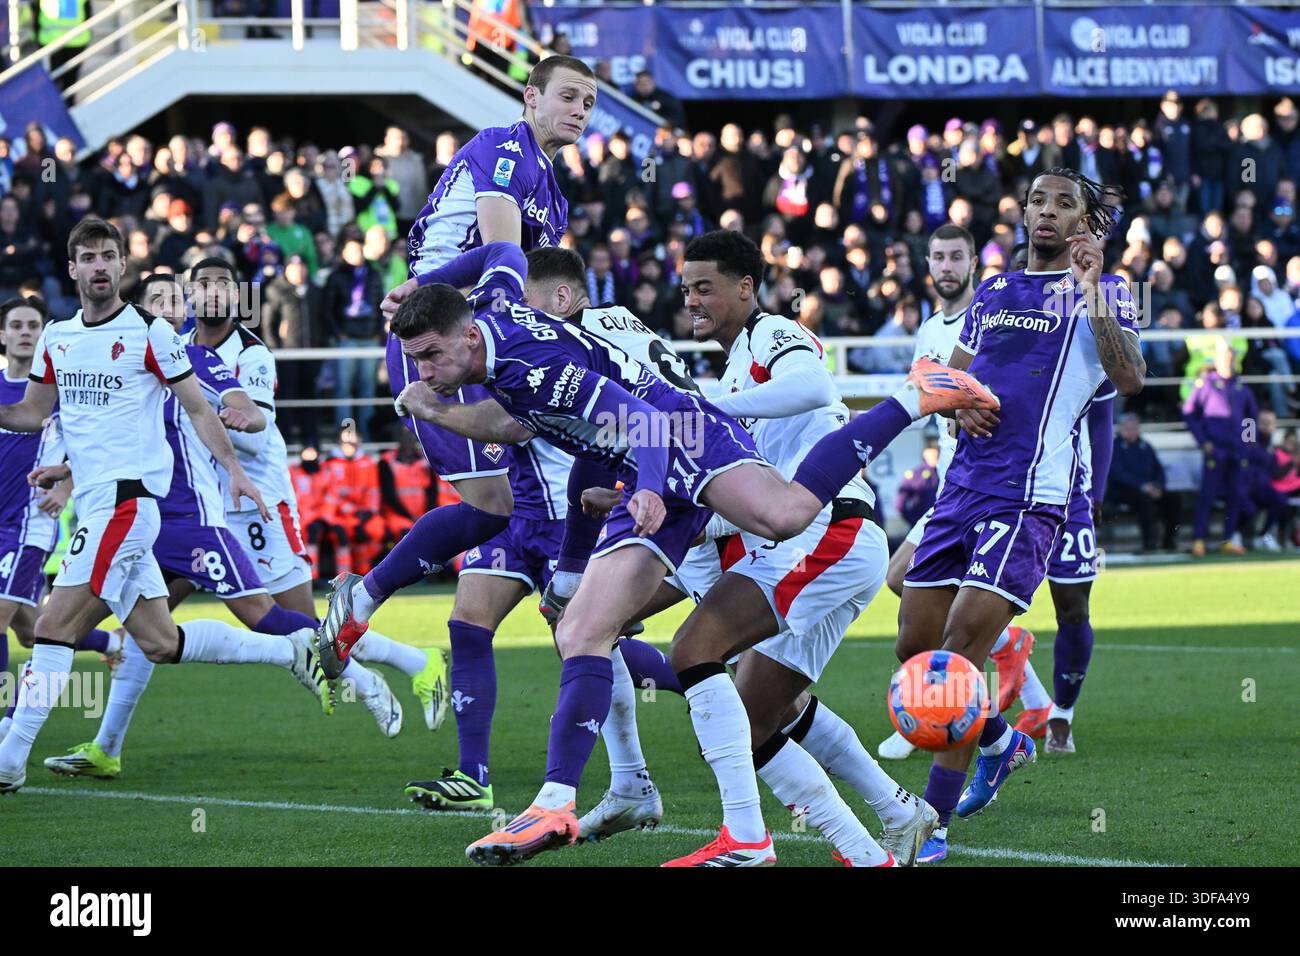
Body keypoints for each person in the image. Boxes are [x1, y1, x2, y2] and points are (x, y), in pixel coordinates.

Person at [384, 236, 996, 865]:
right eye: (414, 361)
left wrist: (646, 486)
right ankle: (566, 798)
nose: (424, 371)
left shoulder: (533, 367)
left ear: (470, 339)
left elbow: (640, 419)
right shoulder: (495, 309)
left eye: (430, 357)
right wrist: (425, 327)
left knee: (780, 522)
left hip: (680, 441)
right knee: (586, 628)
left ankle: (913, 396)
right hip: (666, 463)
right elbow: (505, 261)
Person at [0, 218, 328, 794]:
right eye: (88, 257)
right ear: (72, 268)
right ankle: (290, 650)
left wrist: (233, 471)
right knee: (158, 641)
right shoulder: (58, 337)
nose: (100, 266)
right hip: (99, 504)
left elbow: (201, 410)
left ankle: (9, 759)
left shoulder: (151, 333)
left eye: (109, 256)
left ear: (122, 266)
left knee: (52, 625)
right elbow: (31, 413)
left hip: (126, 505)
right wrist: (69, 467)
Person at [317, 55, 600, 693]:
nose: (579, 111)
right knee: (497, 497)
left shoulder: (552, 187)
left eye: (588, 102)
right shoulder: (507, 149)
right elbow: (500, 256)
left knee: (507, 499)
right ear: (531, 97)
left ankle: (570, 586)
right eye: (568, 97)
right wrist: (421, 283)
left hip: (486, 339)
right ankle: (365, 600)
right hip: (444, 335)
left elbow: (527, 284)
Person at [897, 168, 1144, 862]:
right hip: (961, 491)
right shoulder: (996, 289)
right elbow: (940, 375)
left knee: (957, 650)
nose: (1046, 211)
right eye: (1038, 198)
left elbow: (1128, 377)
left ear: (1087, 226)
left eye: (1065, 204)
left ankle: (932, 826)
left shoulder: (1109, 292)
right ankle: (1002, 741)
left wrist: (1094, 287)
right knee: (915, 649)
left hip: (1031, 494)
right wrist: (955, 402)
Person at [185, 257, 445, 727]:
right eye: (203, 284)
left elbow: (256, 435)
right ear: (191, 294)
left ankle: (411, 663)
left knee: (303, 627)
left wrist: (211, 414)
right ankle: (107, 744)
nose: (213, 292)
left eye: (223, 284)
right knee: (152, 619)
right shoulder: (179, 348)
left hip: (258, 506)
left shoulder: (251, 354)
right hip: (202, 503)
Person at [1183, 342, 1255, 556]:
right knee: (1207, 495)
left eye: (1232, 357)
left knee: (1236, 495)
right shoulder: (1205, 384)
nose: (1229, 361)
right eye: (1225, 357)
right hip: (1214, 450)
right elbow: (1189, 413)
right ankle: (1198, 539)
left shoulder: (1241, 387)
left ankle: (1228, 539)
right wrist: (1202, 440)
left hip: (1236, 451)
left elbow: (1251, 417)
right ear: (1217, 360)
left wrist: (1247, 444)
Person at [323, 237, 384, 440]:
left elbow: (380, 303)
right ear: (343, 254)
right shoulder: (336, 276)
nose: (356, 255)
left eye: (359, 250)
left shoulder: (373, 274)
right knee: (343, 388)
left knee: (368, 388)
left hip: (369, 337)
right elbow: (328, 309)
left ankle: (366, 433)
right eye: (351, 251)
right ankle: (347, 435)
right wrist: (338, 332)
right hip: (346, 338)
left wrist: (377, 331)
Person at [1109, 413, 1182, 552]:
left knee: (1174, 499)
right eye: (1128, 428)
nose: (1132, 431)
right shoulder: (1114, 447)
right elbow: (1117, 474)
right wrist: (1142, 486)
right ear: (1121, 429)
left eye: (1134, 428)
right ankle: (1149, 543)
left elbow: (1158, 468)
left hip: (1150, 489)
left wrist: (1158, 486)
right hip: (1125, 492)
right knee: (1144, 500)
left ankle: (1169, 541)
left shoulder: (1145, 446)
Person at [1238, 409, 1290, 552]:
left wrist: (1291, 464)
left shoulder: (1271, 447)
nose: (1267, 426)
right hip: (1246, 488)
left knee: (1281, 500)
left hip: (1263, 489)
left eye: (1270, 423)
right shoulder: (1249, 440)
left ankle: (1263, 536)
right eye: (1263, 423)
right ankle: (1234, 534)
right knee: (1249, 509)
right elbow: (1245, 461)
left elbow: (1275, 473)